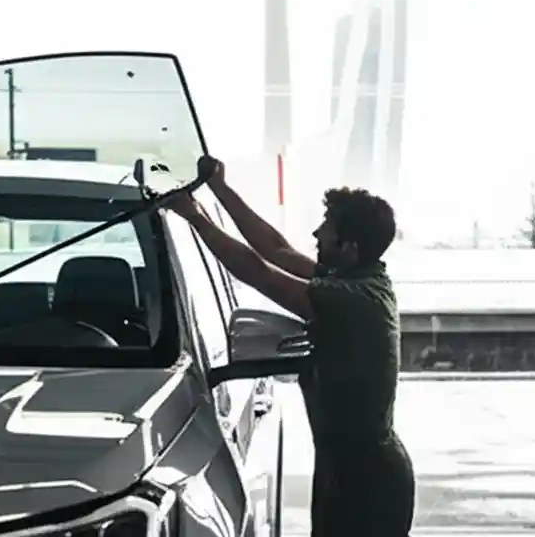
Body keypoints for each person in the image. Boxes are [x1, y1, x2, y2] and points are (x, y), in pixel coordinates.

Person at [164, 155, 416, 536]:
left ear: (350, 247)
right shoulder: (361, 275)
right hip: (349, 468)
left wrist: (196, 217)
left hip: (367, 481)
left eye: (326, 230)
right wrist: (220, 189)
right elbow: (277, 251)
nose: (315, 234)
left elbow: (258, 272)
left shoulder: (351, 298)